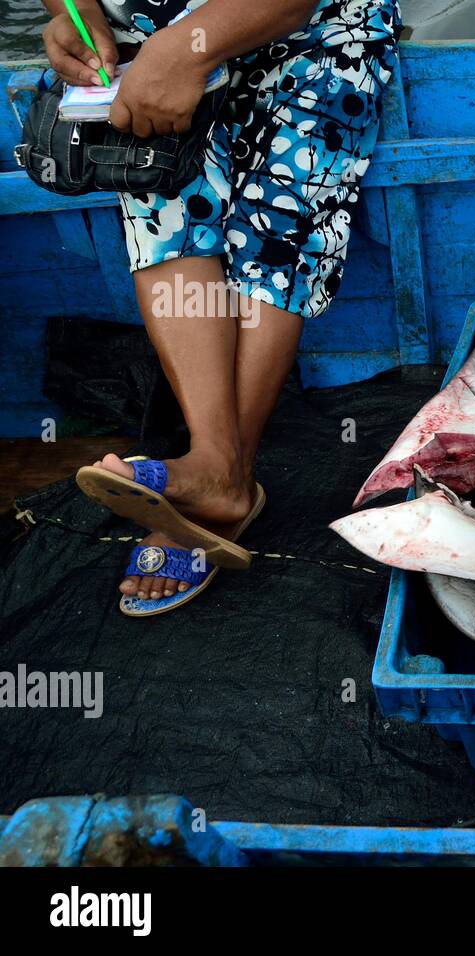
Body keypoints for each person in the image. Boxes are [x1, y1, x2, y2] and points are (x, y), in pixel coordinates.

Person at [41, 0, 399, 615]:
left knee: (277, 228)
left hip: (308, 30)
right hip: (146, 51)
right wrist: (73, 13)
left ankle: (220, 474)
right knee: (164, 207)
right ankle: (217, 468)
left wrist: (188, 49)